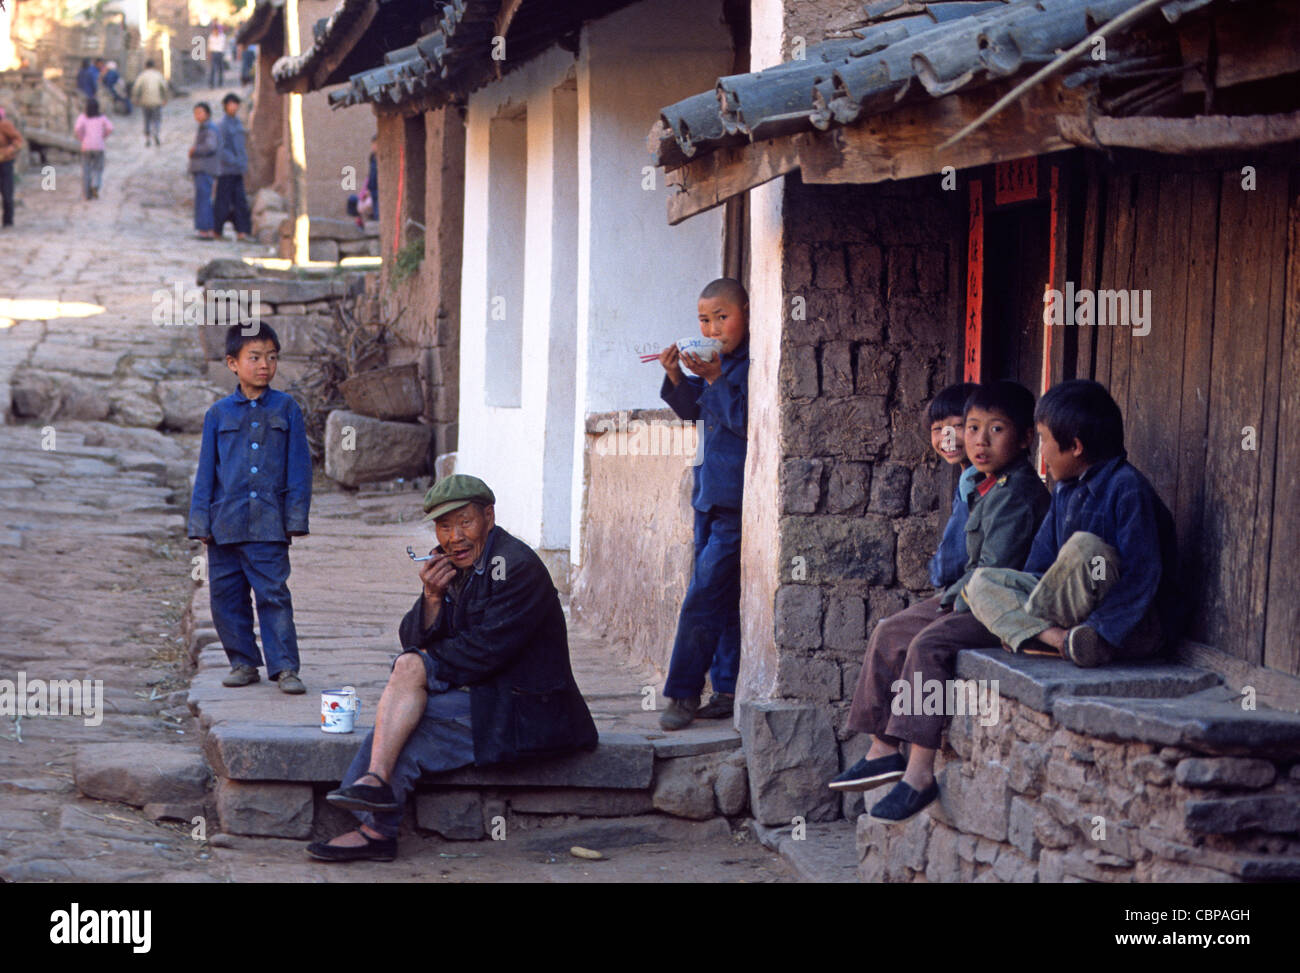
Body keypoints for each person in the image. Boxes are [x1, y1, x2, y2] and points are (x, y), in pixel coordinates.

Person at [306, 475, 599, 862]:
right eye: (445, 526)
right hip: (485, 696)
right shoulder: (459, 564)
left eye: (465, 522)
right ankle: (375, 805)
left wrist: (422, 666)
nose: (455, 536)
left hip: (527, 712)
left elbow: (484, 652)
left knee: (407, 708)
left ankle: (375, 821)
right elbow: (412, 637)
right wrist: (431, 596)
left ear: (489, 517)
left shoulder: (514, 567)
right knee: (403, 710)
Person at [829, 380, 1050, 823]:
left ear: (1026, 437)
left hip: (1004, 610)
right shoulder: (985, 484)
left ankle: (918, 774)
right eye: (972, 428)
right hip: (968, 596)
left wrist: (947, 602)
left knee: (928, 645)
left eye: (996, 429)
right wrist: (949, 598)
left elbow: (993, 573)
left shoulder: (1019, 493)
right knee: (890, 630)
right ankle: (882, 747)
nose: (979, 441)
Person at [965, 379, 1179, 668]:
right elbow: (1040, 569)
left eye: (1043, 439)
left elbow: (1142, 577)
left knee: (1084, 547)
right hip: (1071, 618)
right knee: (982, 582)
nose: (1041, 452)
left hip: (1128, 625)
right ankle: (1061, 641)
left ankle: (1068, 639)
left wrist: (1102, 629)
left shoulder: (1127, 488)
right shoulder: (1065, 490)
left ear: (1075, 446)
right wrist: (1024, 600)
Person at [187, 323, 312, 695]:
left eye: (271, 358)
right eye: (254, 357)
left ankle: (285, 667)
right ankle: (242, 662)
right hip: (224, 524)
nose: (264, 366)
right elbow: (206, 470)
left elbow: (300, 468)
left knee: (273, 594)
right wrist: (200, 521)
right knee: (226, 597)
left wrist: (294, 518)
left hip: (269, 525)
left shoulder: (287, 409)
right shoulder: (218, 414)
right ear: (232, 363)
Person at [655, 278, 750, 731]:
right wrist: (677, 376)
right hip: (708, 496)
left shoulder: (753, 365)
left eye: (722, 318)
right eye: (704, 319)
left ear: (747, 314)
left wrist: (712, 379)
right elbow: (696, 412)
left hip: (735, 503)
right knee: (720, 597)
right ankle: (728, 686)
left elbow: (747, 422)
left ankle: (682, 693)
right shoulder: (719, 365)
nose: (712, 328)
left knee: (702, 595)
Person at [213, 92, 252, 241]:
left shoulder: (238, 123)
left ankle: (242, 231)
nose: (234, 107)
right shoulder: (222, 125)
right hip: (226, 170)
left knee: (240, 201)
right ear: (225, 106)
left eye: (236, 104)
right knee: (223, 201)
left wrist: (242, 162)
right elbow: (221, 148)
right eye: (231, 104)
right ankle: (217, 231)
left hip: (238, 170)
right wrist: (234, 160)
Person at [188, 102, 219, 239]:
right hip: (202, 168)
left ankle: (205, 229)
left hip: (204, 167)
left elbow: (210, 146)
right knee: (202, 198)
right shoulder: (204, 127)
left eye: (200, 112)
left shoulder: (209, 128)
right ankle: (204, 228)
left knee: (204, 199)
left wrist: (196, 150)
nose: (197, 116)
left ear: (207, 113)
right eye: (196, 113)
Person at [73, 98, 112, 201]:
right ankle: (95, 184)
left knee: (86, 170)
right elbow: (110, 128)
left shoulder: (83, 117)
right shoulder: (102, 118)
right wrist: (103, 136)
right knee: (98, 168)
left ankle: (87, 194)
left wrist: (81, 137)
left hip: (86, 146)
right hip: (99, 146)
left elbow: (77, 128)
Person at [131, 60, 168, 146]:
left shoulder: (142, 76)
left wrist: (135, 99)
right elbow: (164, 87)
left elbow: (136, 88)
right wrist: (165, 98)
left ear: (145, 66)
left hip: (145, 102)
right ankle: (156, 133)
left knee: (147, 120)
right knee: (157, 119)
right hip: (156, 102)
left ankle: (147, 138)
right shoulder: (158, 75)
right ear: (154, 66)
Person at [0, 106, 21, 229]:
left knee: (7, 193)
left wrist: (9, 150)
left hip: (6, 162)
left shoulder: (5, 125)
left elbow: (18, 140)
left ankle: (8, 221)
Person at [208, 22, 227, 89]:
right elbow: (209, 46)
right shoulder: (211, 37)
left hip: (220, 53)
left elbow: (223, 46)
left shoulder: (222, 36)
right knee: (213, 69)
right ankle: (211, 83)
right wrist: (209, 55)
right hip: (214, 53)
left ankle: (220, 82)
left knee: (220, 69)